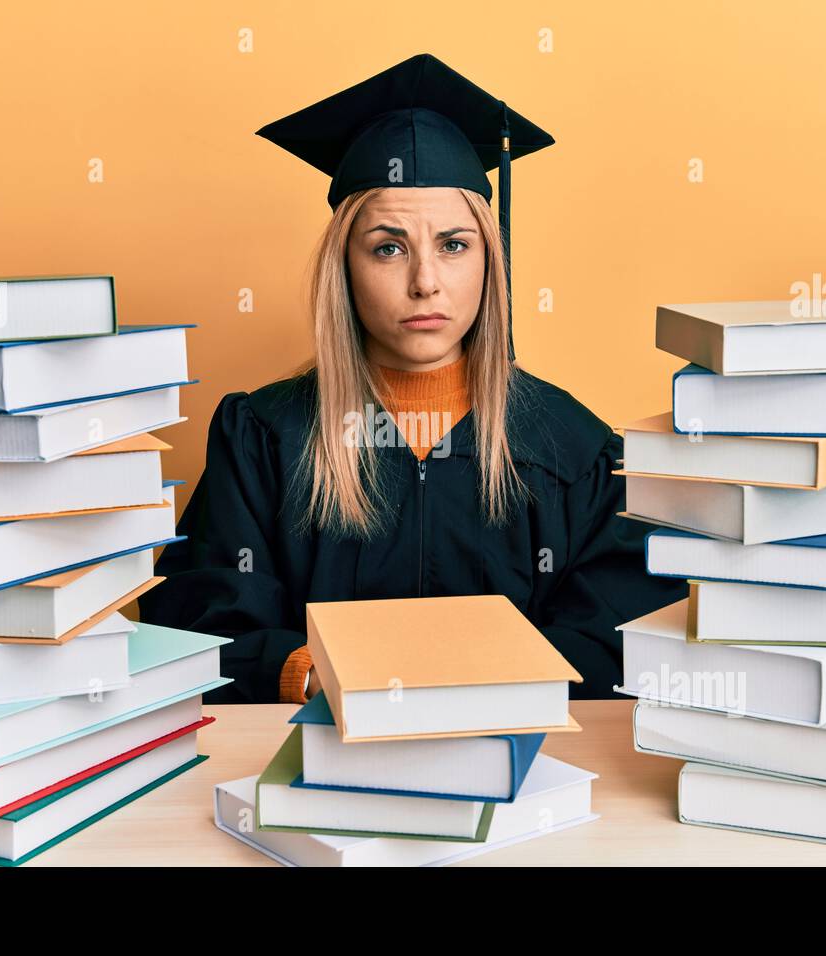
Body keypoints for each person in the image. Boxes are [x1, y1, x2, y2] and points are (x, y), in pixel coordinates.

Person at [138, 53, 685, 704]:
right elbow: (200, 621)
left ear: (489, 260)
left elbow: (621, 635)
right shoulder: (263, 438)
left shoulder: (572, 447)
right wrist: (304, 673)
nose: (425, 279)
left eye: (454, 245)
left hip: (521, 770)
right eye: (388, 247)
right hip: (316, 764)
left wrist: (492, 684)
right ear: (344, 265)